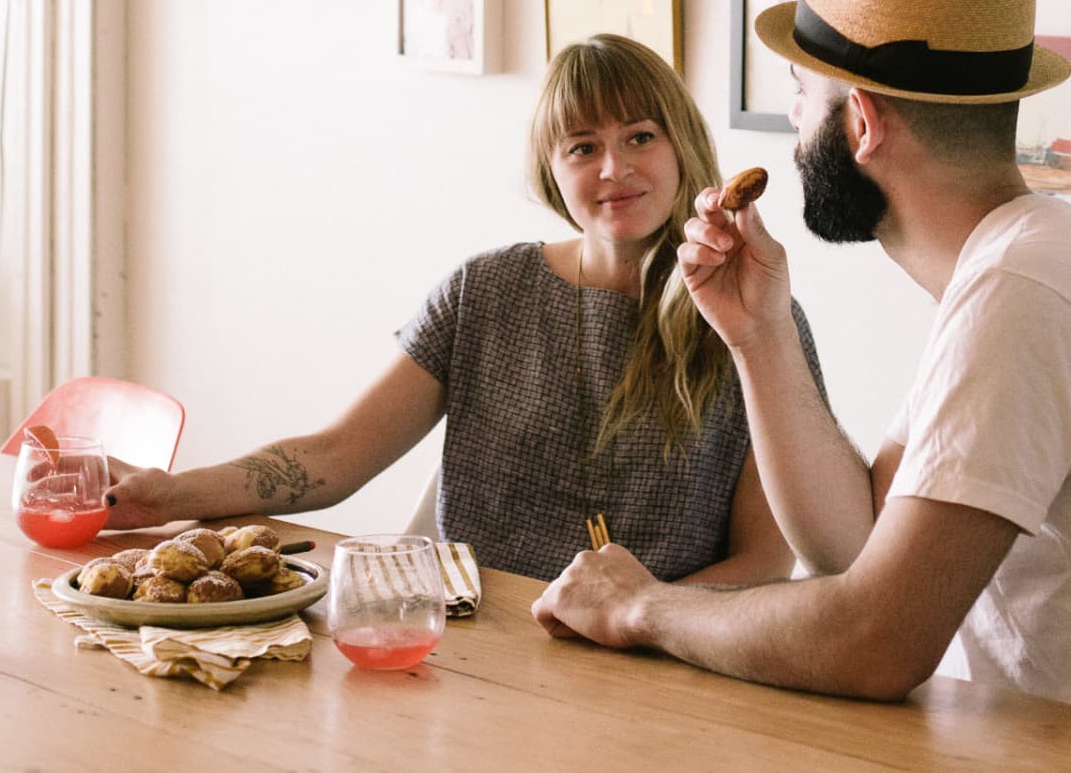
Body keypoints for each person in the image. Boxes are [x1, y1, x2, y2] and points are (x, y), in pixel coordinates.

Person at [531, 0, 1071, 746]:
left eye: (800, 97)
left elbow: (874, 642)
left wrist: (641, 606)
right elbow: (855, 544)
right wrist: (759, 336)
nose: (791, 125)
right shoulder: (1015, 266)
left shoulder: (1024, 294)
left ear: (861, 122)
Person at [104, 34, 824, 586]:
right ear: (551, 168)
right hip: (477, 650)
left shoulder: (753, 319)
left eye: (640, 136)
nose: (614, 169)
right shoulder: (484, 294)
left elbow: (765, 563)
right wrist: (167, 495)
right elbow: (336, 457)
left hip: (668, 671)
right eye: (583, 146)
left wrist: (642, 618)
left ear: (681, 144)